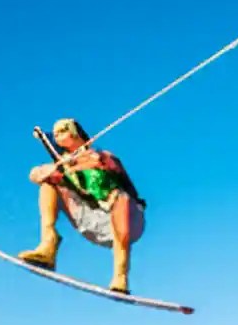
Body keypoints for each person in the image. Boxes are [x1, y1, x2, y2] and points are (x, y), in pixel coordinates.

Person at [19, 118, 147, 294]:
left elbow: (108, 165)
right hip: (91, 220)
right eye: (55, 132)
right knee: (49, 184)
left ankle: (120, 275)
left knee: (121, 198)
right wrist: (43, 172)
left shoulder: (103, 157)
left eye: (63, 130)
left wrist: (89, 162)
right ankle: (48, 244)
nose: (57, 135)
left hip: (128, 221)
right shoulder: (62, 163)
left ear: (75, 133)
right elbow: (33, 175)